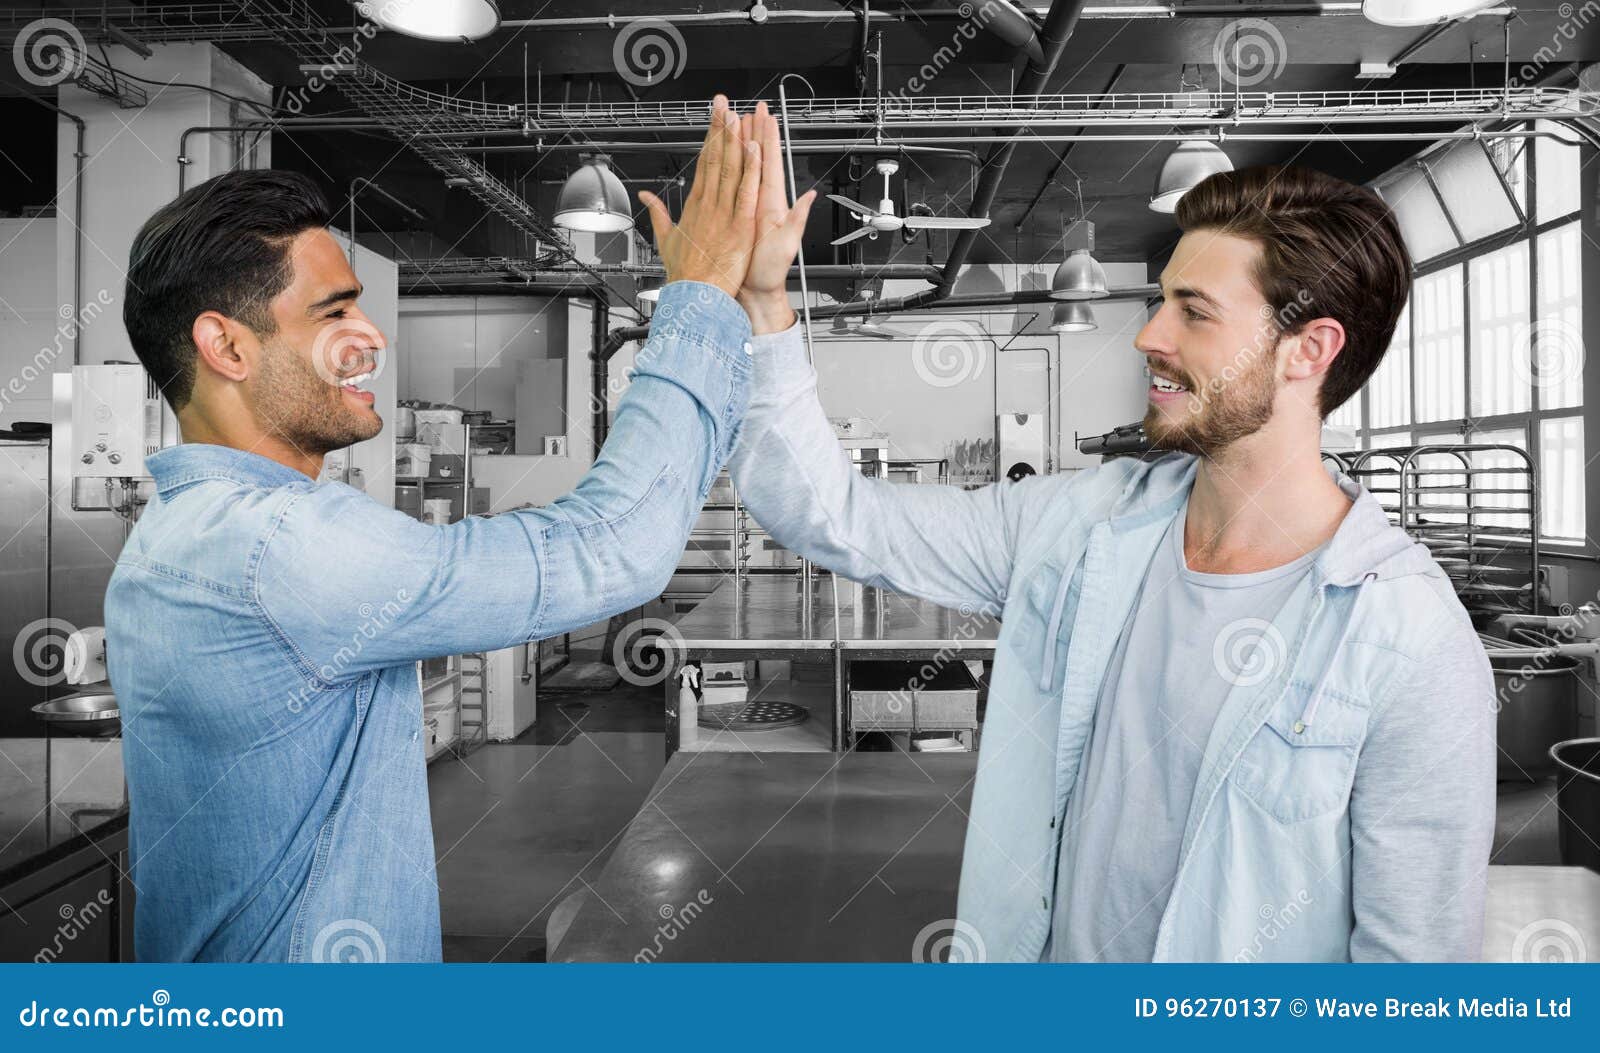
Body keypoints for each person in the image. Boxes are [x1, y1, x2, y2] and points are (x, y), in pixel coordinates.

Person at [730, 160, 1496, 962]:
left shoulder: (1409, 643)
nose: (1148, 335)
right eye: (1162, 300)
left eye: (1193, 312)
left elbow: (1415, 983)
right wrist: (762, 306)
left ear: (1308, 348)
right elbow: (836, 516)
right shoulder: (1079, 525)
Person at [107, 96, 768, 962]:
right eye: (334, 312)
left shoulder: (173, 535)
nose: (371, 334)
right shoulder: (278, 547)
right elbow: (614, 547)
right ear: (226, 348)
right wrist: (700, 299)